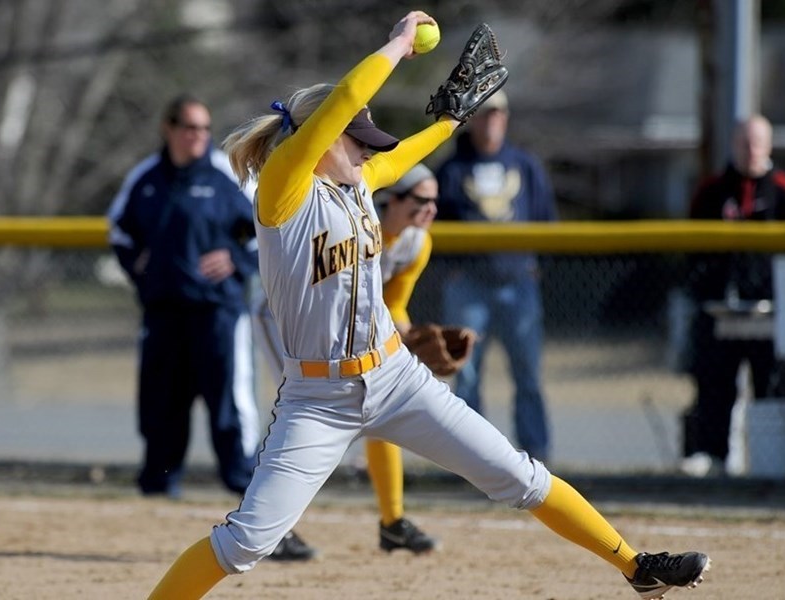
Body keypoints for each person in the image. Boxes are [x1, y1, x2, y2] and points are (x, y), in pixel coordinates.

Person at [146, 13, 710, 599]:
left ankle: (637, 567)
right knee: (245, 544)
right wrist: (396, 46)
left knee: (521, 476)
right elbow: (343, 101)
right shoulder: (283, 191)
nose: (369, 154)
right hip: (317, 400)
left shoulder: (358, 184)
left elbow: (409, 149)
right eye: (358, 142)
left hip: (396, 377)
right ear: (323, 139)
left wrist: (451, 121)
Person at [252, 163, 442, 555]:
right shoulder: (341, 222)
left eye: (435, 202)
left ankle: (392, 523)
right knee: (293, 418)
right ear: (389, 199)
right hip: (286, 324)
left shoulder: (416, 243)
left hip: (344, 332)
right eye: (421, 200)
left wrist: (408, 335)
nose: (431, 211)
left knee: (383, 407)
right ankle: (270, 530)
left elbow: (394, 306)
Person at [106, 95, 261, 500]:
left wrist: (235, 258)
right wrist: (140, 268)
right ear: (169, 128)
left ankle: (243, 483)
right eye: (190, 127)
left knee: (228, 402)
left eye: (204, 128)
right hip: (164, 311)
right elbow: (120, 231)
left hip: (219, 311)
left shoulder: (226, 171)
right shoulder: (147, 177)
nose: (199, 136)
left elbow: (271, 226)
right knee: (161, 404)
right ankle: (159, 483)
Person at [682, 114, 785, 476]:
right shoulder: (712, 191)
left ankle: (772, 463)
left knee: (770, 385)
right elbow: (691, 250)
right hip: (722, 311)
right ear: (733, 144)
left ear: (769, 146)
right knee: (715, 385)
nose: (751, 149)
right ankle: (714, 456)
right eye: (744, 141)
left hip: (770, 313)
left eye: (757, 142)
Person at [433, 89, 558, 461]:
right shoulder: (452, 168)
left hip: (518, 284)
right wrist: (449, 271)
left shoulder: (525, 164)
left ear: (506, 118)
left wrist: (538, 268)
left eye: (498, 114)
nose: (492, 121)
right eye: (485, 114)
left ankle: (537, 454)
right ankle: (473, 457)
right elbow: (430, 220)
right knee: (467, 375)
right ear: (472, 120)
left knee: (528, 374)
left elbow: (546, 219)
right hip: (468, 286)